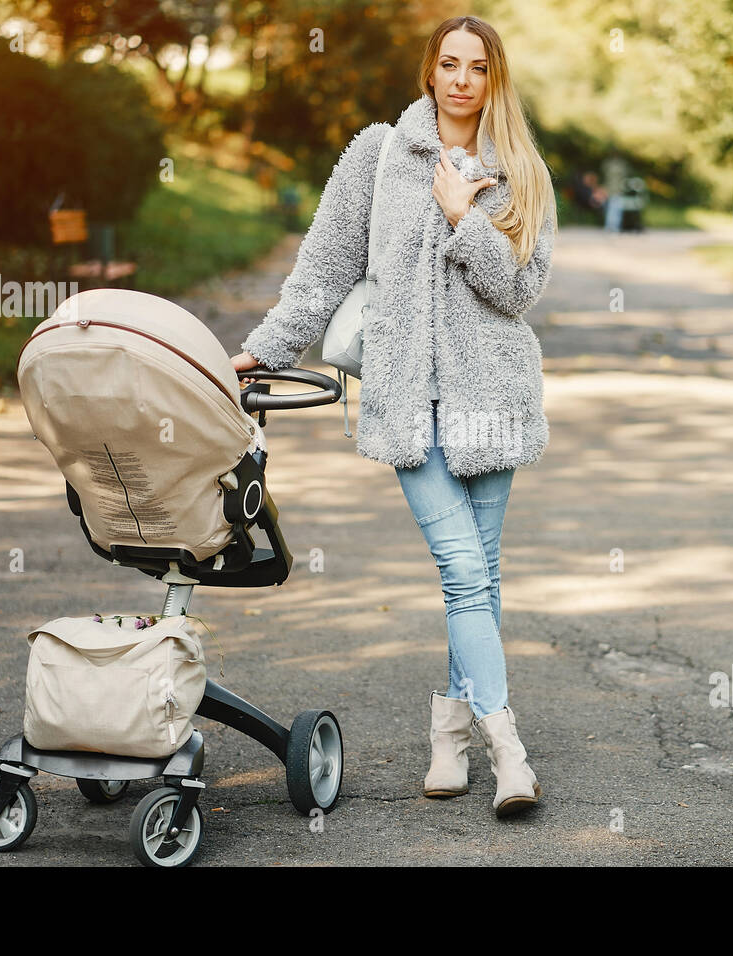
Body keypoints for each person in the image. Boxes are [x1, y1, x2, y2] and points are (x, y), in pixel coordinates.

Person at [229, 15, 556, 818]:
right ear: (429, 69)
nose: (460, 81)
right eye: (448, 63)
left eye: (477, 68)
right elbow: (324, 269)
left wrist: (462, 220)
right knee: (463, 570)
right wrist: (264, 350)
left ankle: (449, 734)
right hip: (409, 397)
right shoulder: (377, 155)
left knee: (478, 573)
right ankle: (508, 750)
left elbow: (521, 290)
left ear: (495, 79)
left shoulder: (519, 169)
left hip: (492, 399)